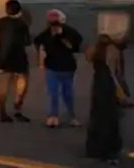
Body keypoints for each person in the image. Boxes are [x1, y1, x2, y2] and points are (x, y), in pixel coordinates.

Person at [34, 8, 84, 128]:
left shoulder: (69, 32)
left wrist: (62, 37)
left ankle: (71, 116)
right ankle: (53, 116)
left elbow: (75, 45)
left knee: (68, 93)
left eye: (55, 23)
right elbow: (38, 42)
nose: (53, 26)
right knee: (53, 92)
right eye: (51, 23)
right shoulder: (46, 34)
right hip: (52, 67)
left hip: (67, 67)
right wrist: (41, 58)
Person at [0, 0, 32, 123]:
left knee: (3, 87)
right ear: (19, 11)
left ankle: (2, 113)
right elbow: (27, 42)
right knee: (22, 82)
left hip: (2, 59)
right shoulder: (23, 24)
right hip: (19, 58)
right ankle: (18, 107)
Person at [85, 35, 123, 164]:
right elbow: (114, 71)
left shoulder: (95, 48)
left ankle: (94, 149)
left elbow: (88, 58)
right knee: (109, 117)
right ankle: (109, 151)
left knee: (97, 116)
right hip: (108, 85)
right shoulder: (113, 49)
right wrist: (121, 91)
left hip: (98, 84)